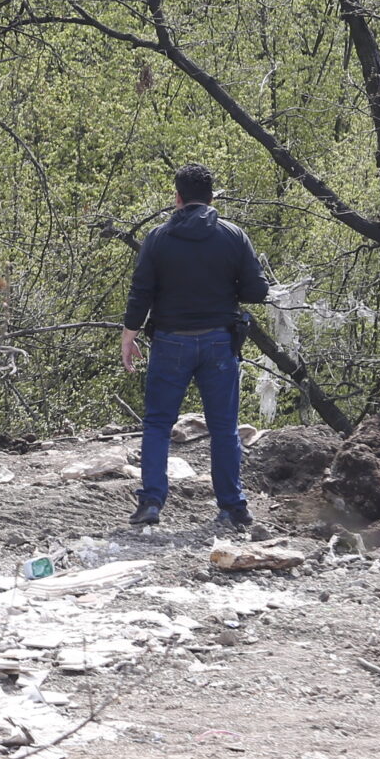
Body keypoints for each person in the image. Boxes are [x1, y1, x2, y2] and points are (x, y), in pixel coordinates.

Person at [121, 162, 270, 531]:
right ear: (211, 197)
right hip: (220, 342)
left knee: (157, 424)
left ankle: (151, 503)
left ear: (178, 198)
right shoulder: (233, 235)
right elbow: (256, 292)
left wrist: (130, 334)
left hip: (171, 342)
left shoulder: (157, 238)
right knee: (224, 427)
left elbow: (141, 291)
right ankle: (233, 508)